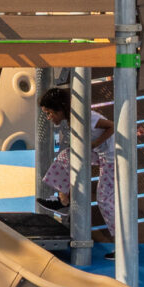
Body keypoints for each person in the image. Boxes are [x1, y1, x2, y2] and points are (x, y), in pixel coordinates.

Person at [38, 83, 115, 228]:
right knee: (67, 155)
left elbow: (112, 126)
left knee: (104, 199)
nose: (48, 117)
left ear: (59, 109)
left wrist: (94, 144)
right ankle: (63, 199)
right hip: (102, 154)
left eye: (49, 113)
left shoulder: (86, 117)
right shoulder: (72, 119)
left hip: (112, 157)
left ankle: (121, 242)